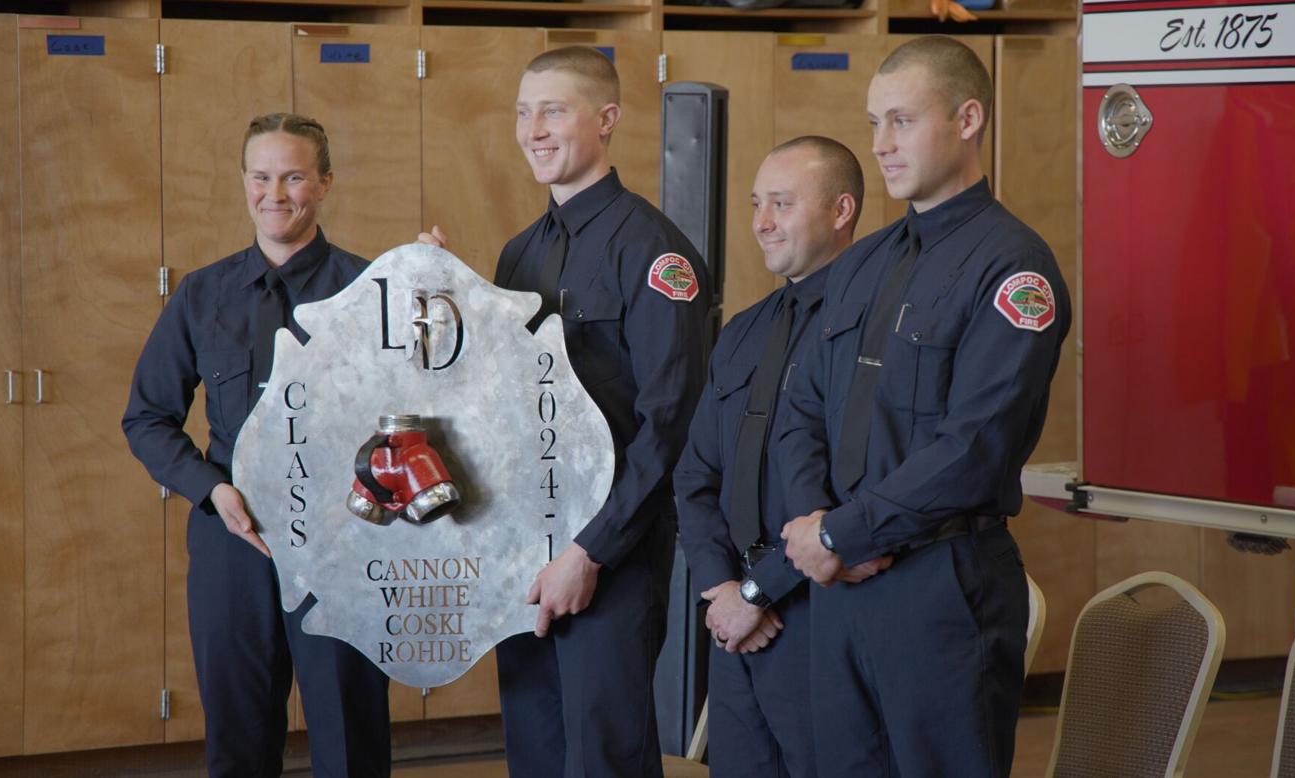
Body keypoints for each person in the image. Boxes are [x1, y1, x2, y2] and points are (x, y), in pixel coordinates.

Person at [775, 36, 1071, 777]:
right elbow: (801, 405)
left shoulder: (1014, 267)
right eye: (874, 123)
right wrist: (820, 530)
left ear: (967, 119)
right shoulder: (866, 262)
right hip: (841, 586)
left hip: (941, 586)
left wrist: (844, 531)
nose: (880, 144)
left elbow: (975, 447)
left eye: (901, 121)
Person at [418, 46, 711, 777]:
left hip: (610, 556)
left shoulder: (654, 253)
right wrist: (444, 298)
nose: (533, 129)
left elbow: (670, 423)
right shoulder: (520, 254)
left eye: (554, 109)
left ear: (607, 120)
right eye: (524, 111)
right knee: (538, 754)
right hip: (525, 554)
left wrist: (591, 551)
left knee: (603, 758)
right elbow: (493, 404)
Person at [123, 113, 391, 778]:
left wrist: (432, 293)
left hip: (345, 542)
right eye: (262, 176)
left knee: (349, 733)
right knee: (239, 736)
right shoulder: (202, 295)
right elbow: (148, 416)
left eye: (295, 176)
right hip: (232, 541)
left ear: (324, 183)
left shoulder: (371, 291)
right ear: (244, 181)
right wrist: (210, 489)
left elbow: (419, 414)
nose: (276, 193)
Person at [673, 136, 882, 777]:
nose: (762, 222)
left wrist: (760, 593)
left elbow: (863, 494)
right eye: (757, 203)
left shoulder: (871, 330)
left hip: (823, 619)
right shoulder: (743, 331)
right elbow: (695, 475)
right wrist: (721, 590)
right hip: (737, 624)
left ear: (841, 209)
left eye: (782, 204)